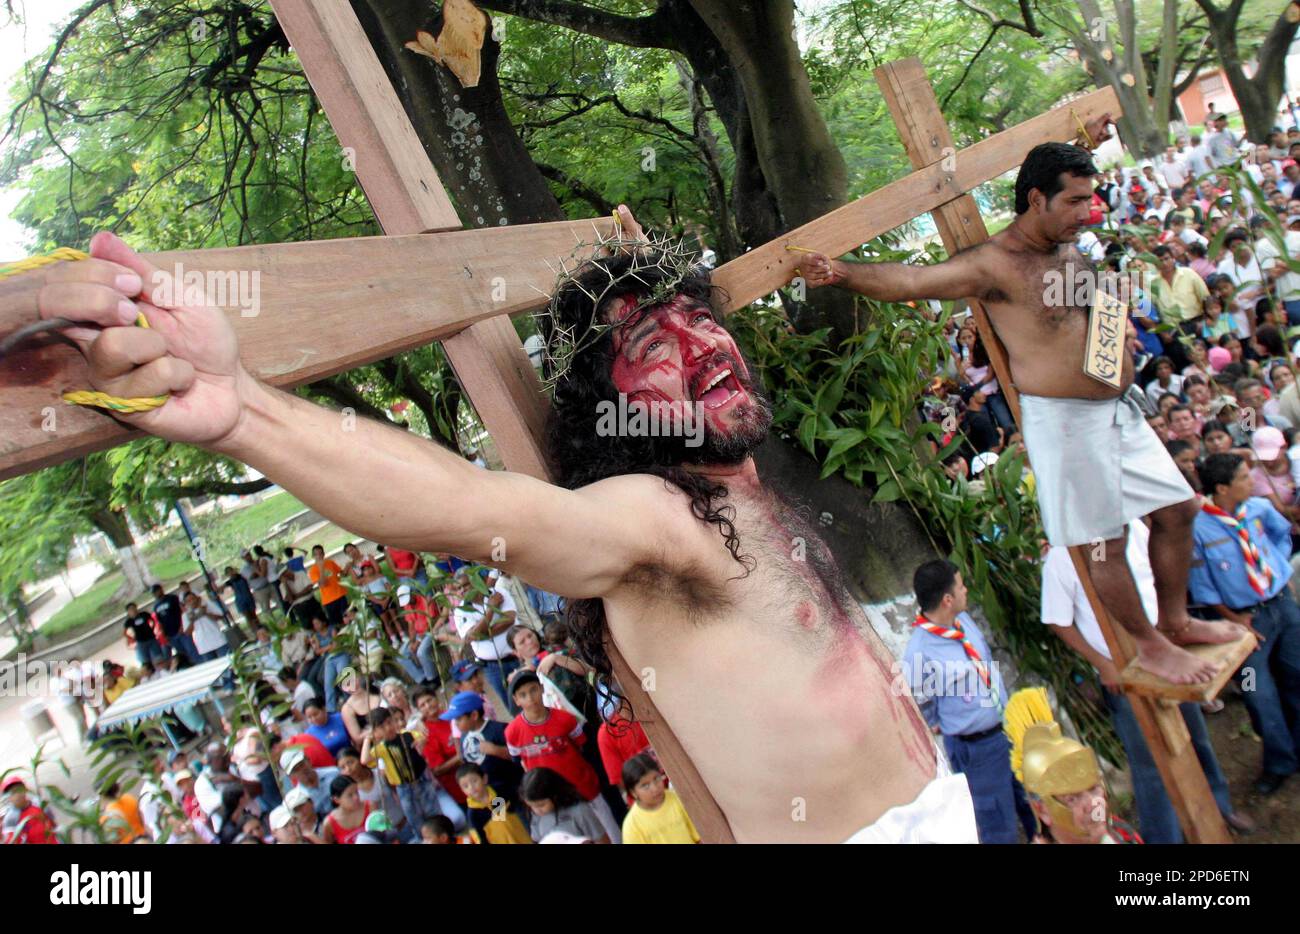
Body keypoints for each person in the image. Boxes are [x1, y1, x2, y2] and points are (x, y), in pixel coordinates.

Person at [42, 207, 956, 843]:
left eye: (699, 320)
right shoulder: (660, 519)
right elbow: (478, 511)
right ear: (616, 411)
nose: (704, 343)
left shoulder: (749, 491)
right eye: (652, 346)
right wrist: (244, 412)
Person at [802, 127, 1240, 687]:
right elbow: (914, 278)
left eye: (1091, 197)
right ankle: (1149, 645)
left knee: (1178, 511)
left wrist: (1117, 356)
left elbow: (1088, 318)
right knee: (1106, 541)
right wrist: (841, 272)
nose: (1089, 210)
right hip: (1066, 423)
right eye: (1076, 200)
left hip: (1119, 410)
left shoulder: (1071, 248)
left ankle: (1175, 621)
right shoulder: (995, 265)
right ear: (1037, 199)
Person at [1040, 521, 1254, 842]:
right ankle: (1165, 837)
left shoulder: (1132, 530)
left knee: (1194, 740)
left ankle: (1218, 809)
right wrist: (1103, 664)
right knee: (1151, 764)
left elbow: (1155, 580)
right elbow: (1058, 621)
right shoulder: (1063, 558)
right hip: (1125, 673)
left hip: (1169, 661)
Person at [1192, 454, 1300, 795]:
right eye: (1242, 477)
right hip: (1244, 625)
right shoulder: (1198, 528)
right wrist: (1235, 621)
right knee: (1256, 691)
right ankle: (1280, 761)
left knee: (1296, 675)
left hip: (1284, 610)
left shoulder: (1257, 508)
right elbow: (1203, 587)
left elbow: (1282, 534)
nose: (1250, 480)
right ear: (1222, 488)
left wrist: (1279, 568)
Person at [902, 560, 1022, 844]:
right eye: (961, 586)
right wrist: (946, 723)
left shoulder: (962, 621)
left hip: (1006, 732)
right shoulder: (920, 653)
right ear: (947, 599)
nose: (966, 590)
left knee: (1026, 807)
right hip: (977, 748)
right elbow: (921, 705)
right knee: (997, 826)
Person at [1004, 689, 1142, 843]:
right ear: (1042, 810)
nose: (1093, 804)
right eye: (1073, 798)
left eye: (1094, 788)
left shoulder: (1122, 833)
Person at [503, 669, 621, 842]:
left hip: (582, 787)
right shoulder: (512, 732)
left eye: (533, 690)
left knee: (608, 831)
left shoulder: (566, 719)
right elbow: (518, 763)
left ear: (542, 688)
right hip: (548, 799)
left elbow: (584, 748)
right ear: (516, 700)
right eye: (523, 694)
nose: (530, 698)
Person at [362, 707, 465, 839]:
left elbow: (421, 739)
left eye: (389, 722)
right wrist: (367, 739)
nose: (388, 728)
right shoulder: (381, 748)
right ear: (375, 731)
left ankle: (444, 836)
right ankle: (426, 839)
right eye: (381, 727)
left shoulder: (407, 734)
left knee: (433, 811)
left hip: (422, 780)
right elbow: (365, 760)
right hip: (404, 787)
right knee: (414, 817)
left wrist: (421, 743)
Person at [442, 690, 522, 807]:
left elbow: (520, 755)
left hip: (512, 787)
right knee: (502, 820)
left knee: (521, 817)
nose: (456, 723)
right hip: (491, 794)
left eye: (459, 719)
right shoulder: (464, 736)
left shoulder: (499, 729)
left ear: (474, 715)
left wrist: (496, 750)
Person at [620, 753, 700, 844]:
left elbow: (699, 837)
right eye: (645, 786)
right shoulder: (632, 825)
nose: (655, 788)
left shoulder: (679, 800)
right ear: (633, 792)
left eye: (656, 779)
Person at [519, 766, 610, 844]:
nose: (536, 810)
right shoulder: (535, 815)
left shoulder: (580, 811)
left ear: (555, 796)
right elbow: (538, 839)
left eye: (541, 805)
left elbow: (601, 839)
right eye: (531, 806)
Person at [457, 762, 532, 844]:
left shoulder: (499, 791)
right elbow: (480, 838)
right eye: (465, 786)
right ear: (462, 790)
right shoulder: (473, 814)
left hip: (522, 837)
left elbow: (517, 800)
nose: (471, 787)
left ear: (484, 779)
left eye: (474, 781)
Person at [279, 747, 340, 817]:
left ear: (308, 760)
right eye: (296, 769)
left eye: (302, 764)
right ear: (291, 776)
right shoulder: (300, 798)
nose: (302, 770)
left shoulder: (334, 773)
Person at [1, 775, 56, 844]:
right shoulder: (10, 819)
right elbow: (11, 840)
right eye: (12, 793)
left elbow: (54, 823)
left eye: (18, 790)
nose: (17, 795)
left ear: (25, 790)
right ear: (8, 797)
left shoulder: (39, 804)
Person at [150, 583, 192, 668]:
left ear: (161, 589)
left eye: (156, 591)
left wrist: (182, 626)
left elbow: (182, 611)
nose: (156, 594)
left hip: (180, 630)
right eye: (154, 593)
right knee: (181, 653)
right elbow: (160, 621)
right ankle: (187, 666)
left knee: (190, 649)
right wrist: (164, 635)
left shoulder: (172, 598)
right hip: (170, 634)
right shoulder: (156, 606)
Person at [321, 774, 372, 844]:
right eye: (350, 795)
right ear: (336, 800)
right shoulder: (329, 823)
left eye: (356, 792)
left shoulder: (370, 806)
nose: (356, 797)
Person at [308, 545, 349, 628]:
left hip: (340, 594)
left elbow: (342, 574)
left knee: (348, 618)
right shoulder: (313, 570)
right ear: (313, 556)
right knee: (337, 624)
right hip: (328, 600)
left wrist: (348, 566)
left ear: (324, 554)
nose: (319, 556)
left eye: (320, 553)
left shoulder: (330, 562)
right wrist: (321, 568)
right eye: (316, 554)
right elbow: (323, 584)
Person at [122, 601, 167, 668]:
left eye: (134, 608)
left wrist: (152, 629)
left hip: (151, 638)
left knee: (158, 657)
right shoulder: (129, 621)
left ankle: (162, 668)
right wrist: (132, 638)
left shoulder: (144, 614)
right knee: (145, 661)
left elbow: (152, 621)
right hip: (141, 641)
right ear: (128, 611)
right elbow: (124, 632)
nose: (133, 610)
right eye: (131, 609)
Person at [223, 565, 259, 631]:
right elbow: (221, 588)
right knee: (248, 618)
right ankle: (255, 632)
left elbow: (250, 578)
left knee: (254, 615)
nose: (231, 573)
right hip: (240, 600)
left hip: (248, 597)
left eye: (231, 571)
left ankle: (260, 629)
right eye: (228, 573)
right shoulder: (230, 582)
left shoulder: (242, 576)